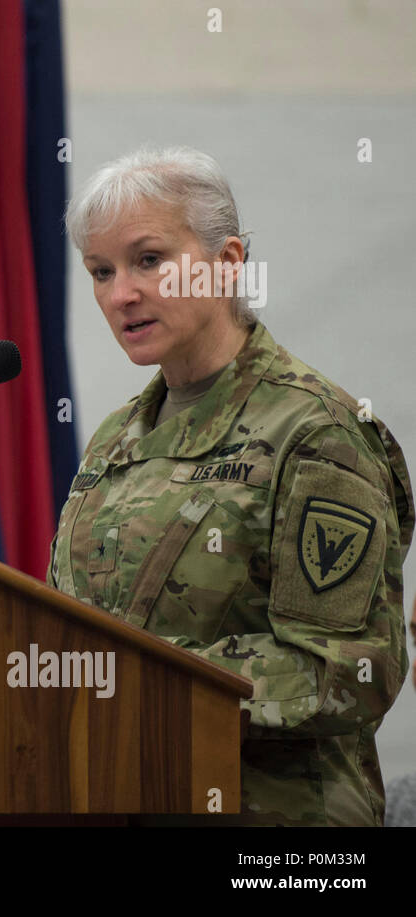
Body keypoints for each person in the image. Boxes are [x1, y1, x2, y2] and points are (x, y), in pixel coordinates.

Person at [50, 145, 413, 826]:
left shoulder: (315, 430)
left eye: (148, 260)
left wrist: (145, 683)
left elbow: (349, 669)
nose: (120, 292)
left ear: (228, 262)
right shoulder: (114, 438)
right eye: (100, 271)